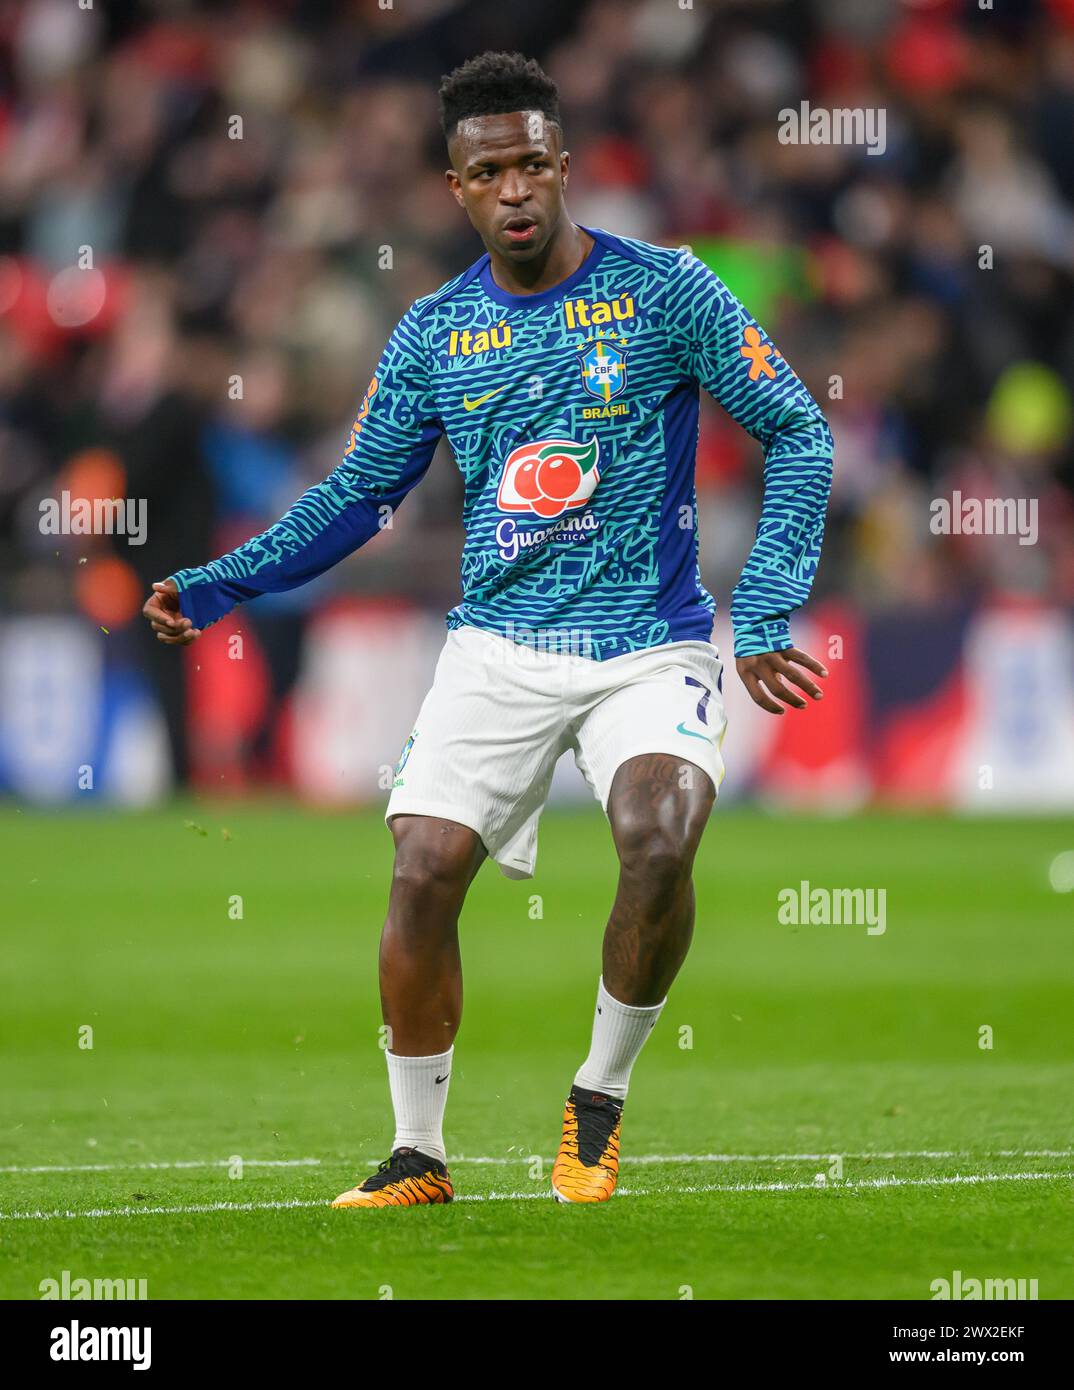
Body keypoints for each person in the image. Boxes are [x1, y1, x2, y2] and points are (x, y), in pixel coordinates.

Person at [143, 51, 834, 1207]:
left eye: (530, 164)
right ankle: (419, 1151)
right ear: (455, 188)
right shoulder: (434, 333)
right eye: (487, 172)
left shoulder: (669, 291)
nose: (513, 188)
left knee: (660, 837)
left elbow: (800, 431)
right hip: (498, 646)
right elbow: (360, 495)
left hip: (649, 644)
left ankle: (598, 1097)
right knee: (421, 871)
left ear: (564, 167)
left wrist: (761, 605)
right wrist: (222, 584)